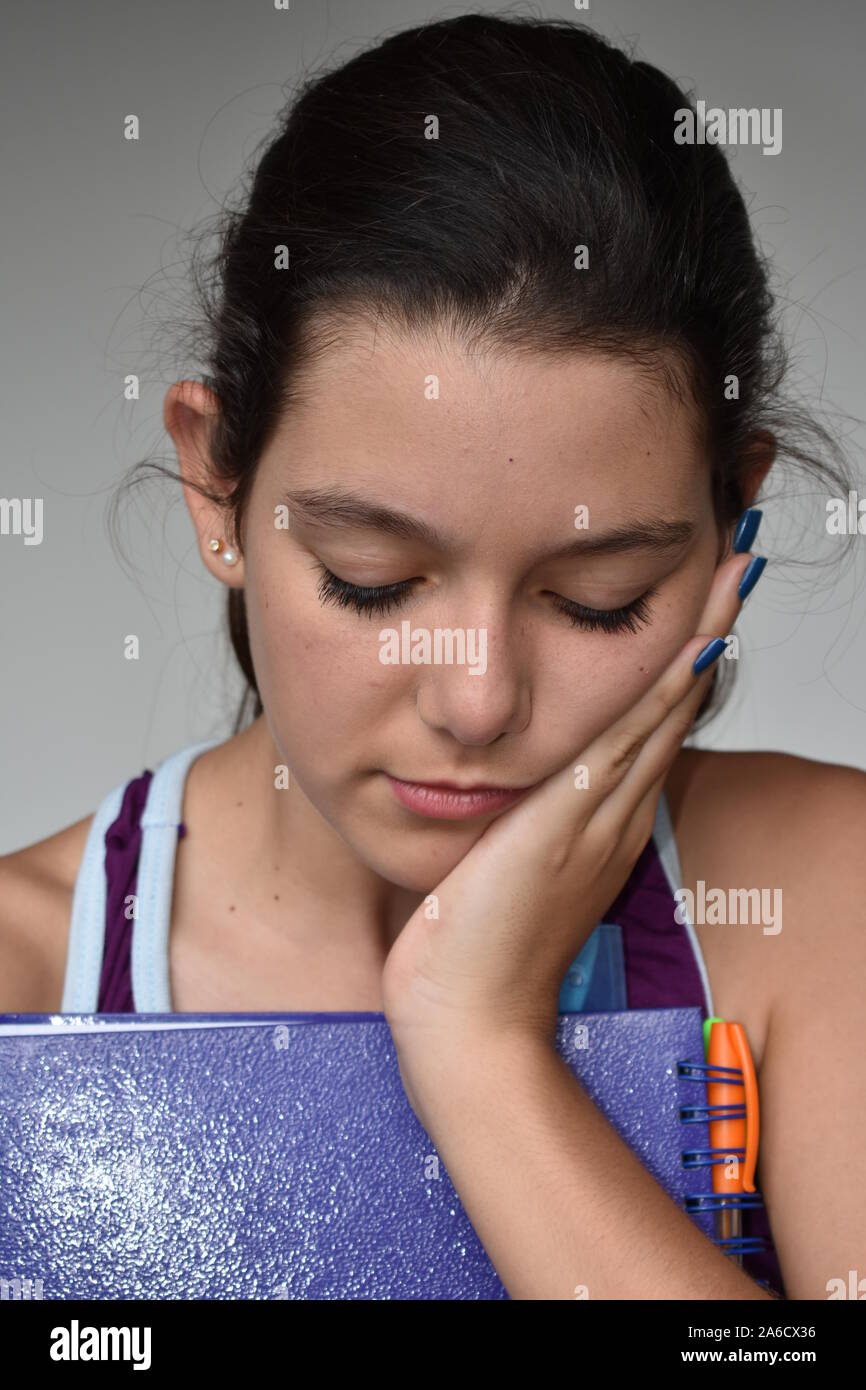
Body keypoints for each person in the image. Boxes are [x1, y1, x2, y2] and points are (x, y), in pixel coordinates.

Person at [1, 13, 863, 1300]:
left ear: (732, 516)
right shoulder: (25, 971)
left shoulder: (820, 897)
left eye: (597, 598)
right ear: (217, 480)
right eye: (372, 580)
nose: (477, 701)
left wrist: (480, 1046)